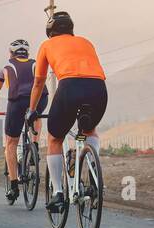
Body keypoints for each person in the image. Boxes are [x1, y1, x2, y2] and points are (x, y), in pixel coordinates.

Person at [25, 11, 108, 213]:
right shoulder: (86, 42)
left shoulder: (46, 45)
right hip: (98, 88)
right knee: (89, 131)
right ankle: (94, 177)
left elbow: (38, 81)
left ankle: (58, 194)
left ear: (50, 31)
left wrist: (32, 110)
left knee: (55, 137)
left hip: (70, 86)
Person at [0, 39, 36, 204]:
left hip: (17, 101)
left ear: (11, 53)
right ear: (27, 53)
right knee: (35, 112)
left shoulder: (5, 66)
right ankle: (34, 144)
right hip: (39, 99)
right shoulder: (36, 64)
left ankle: (14, 186)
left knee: (11, 142)